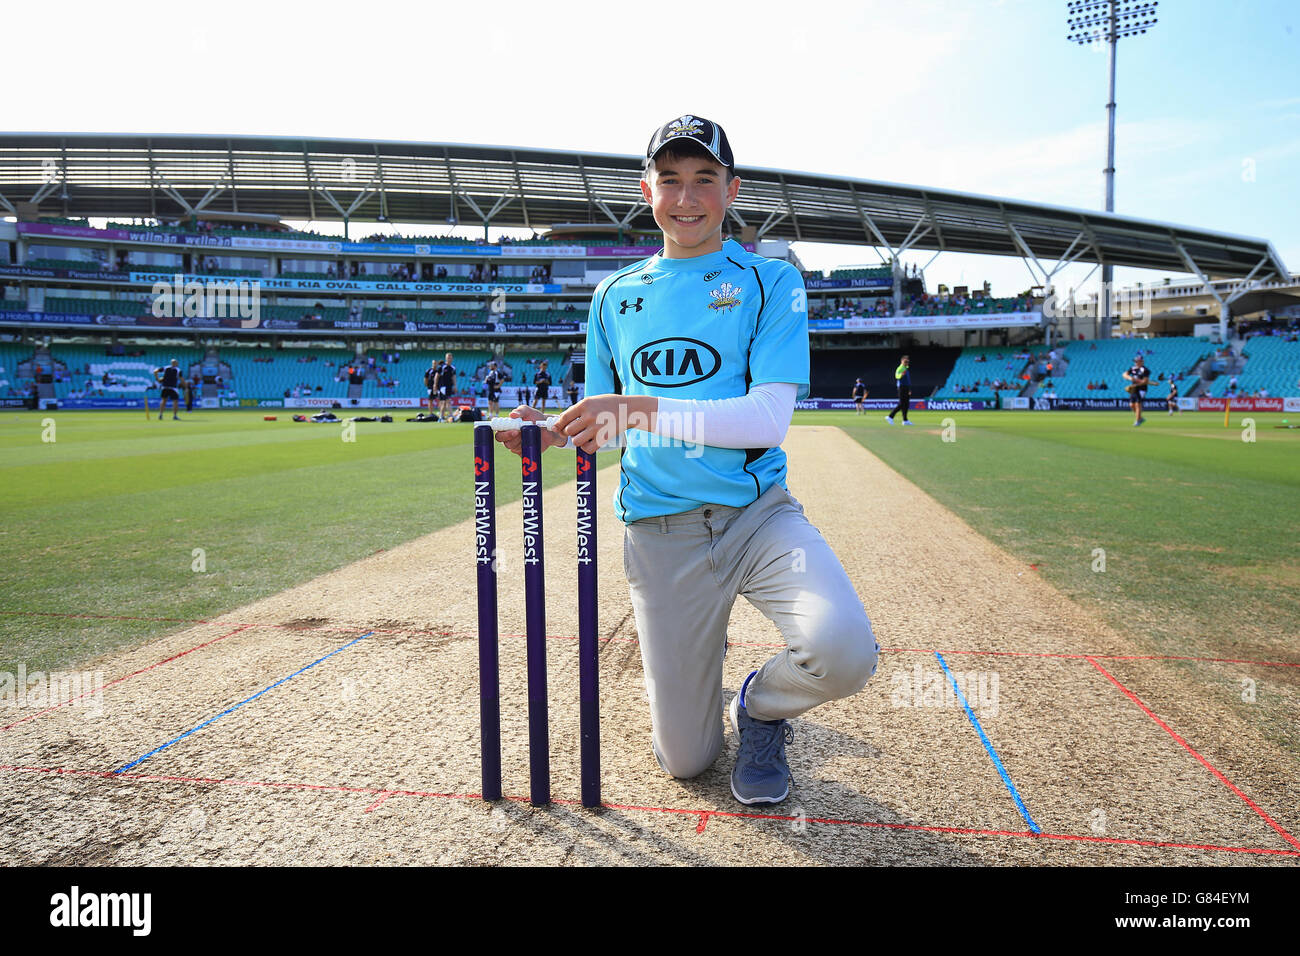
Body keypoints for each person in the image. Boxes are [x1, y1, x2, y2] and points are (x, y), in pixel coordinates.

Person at [494, 114, 878, 806]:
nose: (687, 197)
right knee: (685, 761)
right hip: (659, 532)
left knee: (845, 651)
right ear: (647, 191)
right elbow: (603, 424)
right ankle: (708, 715)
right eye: (670, 180)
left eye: (705, 179)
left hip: (758, 519)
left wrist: (637, 408)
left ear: (732, 190)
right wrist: (559, 431)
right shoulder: (613, 296)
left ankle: (761, 708)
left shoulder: (771, 281)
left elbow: (768, 419)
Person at [1123, 353, 1150, 426]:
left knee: (1138, 404)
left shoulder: (1145, 370)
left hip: (1141, 389)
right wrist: (1130, 378)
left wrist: (1136, 384)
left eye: (1137, 361)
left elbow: (1145, 381)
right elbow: (1124, 374)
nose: (1136, 362)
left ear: (1141, 361)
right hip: (1134, 388)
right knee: (1132, 405)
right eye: (1135, 361)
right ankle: (1140, 418)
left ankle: (1137, 420)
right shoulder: (1133, 368)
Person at [885, 355, 913, 425]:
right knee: (902, 403)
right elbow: (897, 376)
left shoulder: (906, 368)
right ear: (902, 361)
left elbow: (908, 380)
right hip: (902, 387)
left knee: (906, 404)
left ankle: (905, 420)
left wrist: (909, 389)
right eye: (905, 361)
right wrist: (901, 375)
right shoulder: (900, 368)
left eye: (907, 362)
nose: (907, 363)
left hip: (906, 387)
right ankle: (890, 416)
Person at [435, 351, 457, 421]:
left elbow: (454, 377)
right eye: (448, 358)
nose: (449, 359)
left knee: (445, 402)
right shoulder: (442, 367)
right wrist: (435, 385)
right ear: (445, 358)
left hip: (449, 386)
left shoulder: (453, 368)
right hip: (443, 387)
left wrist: (455, 386)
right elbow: (437, 376)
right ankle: (450, 416)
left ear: (452, 359)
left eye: (450, 358)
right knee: (446, 401)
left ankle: (441, 417)